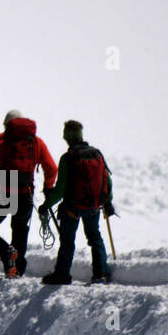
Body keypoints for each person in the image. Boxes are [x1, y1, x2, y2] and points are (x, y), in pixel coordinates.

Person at [0, 110, 58, 276]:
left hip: (5, 188)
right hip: (26, 192)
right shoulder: (35, 141)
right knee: (20, 230)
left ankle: (6, 253)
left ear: (7, 124)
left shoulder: (1, 140)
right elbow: (52, 168)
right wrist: (48, 187)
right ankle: (16, 269)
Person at [39, 120, 114, 285]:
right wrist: (108, 202)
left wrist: (45, 205)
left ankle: (62, 274)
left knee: (67, 241)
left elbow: (60, 189)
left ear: (67, 137)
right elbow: (107, 181)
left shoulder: (67, 158)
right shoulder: (97, 154)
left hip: (72, 207)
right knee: (95, 237)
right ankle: (101, 272)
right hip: (94, 205)